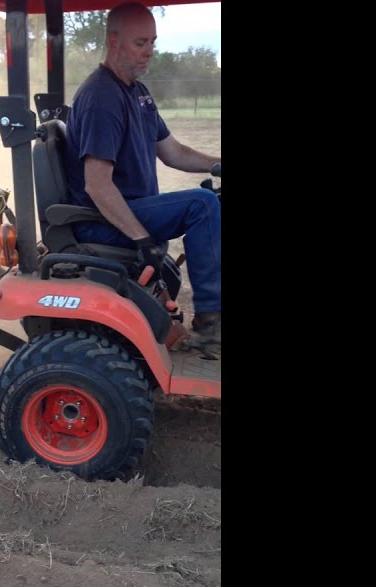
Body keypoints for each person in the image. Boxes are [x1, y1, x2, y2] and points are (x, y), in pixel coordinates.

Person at [63, 2, 222, 346]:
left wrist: (217, 164)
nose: (149, 52)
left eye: (153, 42)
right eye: (140, 43)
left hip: (134, 207)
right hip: (103, 221)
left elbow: (172, 152)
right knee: (202, 204)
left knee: (208, 201)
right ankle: (212, 320)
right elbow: (97, 184)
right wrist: (142, 239)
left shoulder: (138, 93)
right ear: (114, 41)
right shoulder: (102, 98)